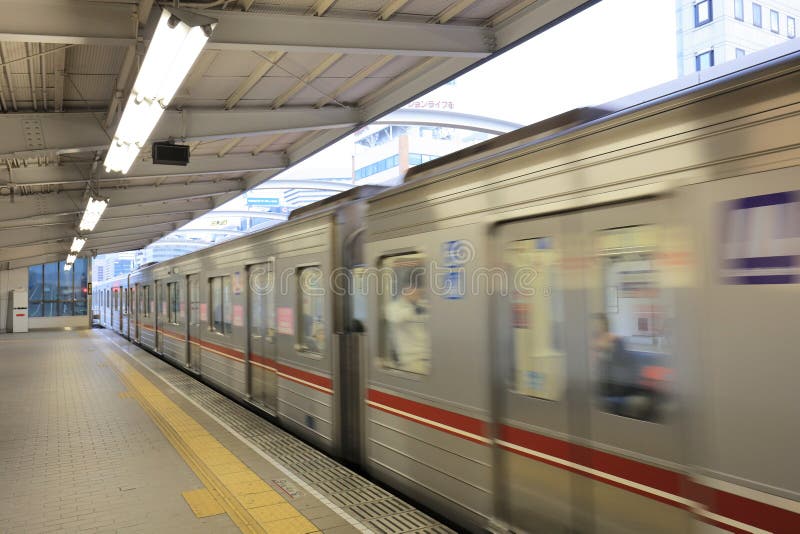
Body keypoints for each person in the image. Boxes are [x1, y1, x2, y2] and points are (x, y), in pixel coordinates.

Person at [385, 268, 431, 374]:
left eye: (419, 288)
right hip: (412, 362)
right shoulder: (394, 307)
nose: (418, 292)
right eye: (414, 287)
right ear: (406, 288)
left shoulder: (423, 304)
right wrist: (415, 309)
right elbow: (396, 317)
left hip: (430, 359)